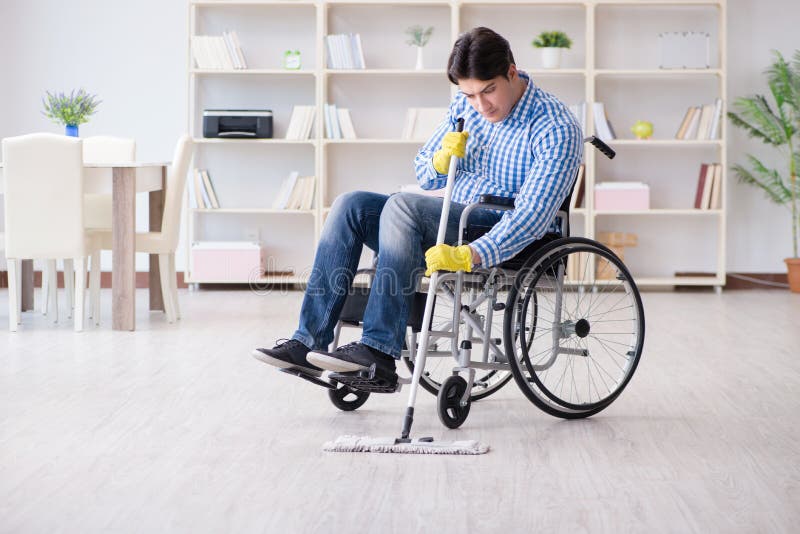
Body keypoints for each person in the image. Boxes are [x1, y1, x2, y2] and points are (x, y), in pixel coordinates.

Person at [252, 27, 583, 389]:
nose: (481, 105)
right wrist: (441, 161)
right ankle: (307, 341)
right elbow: (425, 171)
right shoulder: (465, 108)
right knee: (351, 205)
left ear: (512, 72)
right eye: (470, 95)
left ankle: (378, 352)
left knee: (403, 207)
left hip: (496, 227)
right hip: (448, 215)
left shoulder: (555, 126)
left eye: (488, 90)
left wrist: (473, 254)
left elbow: (533, 217)